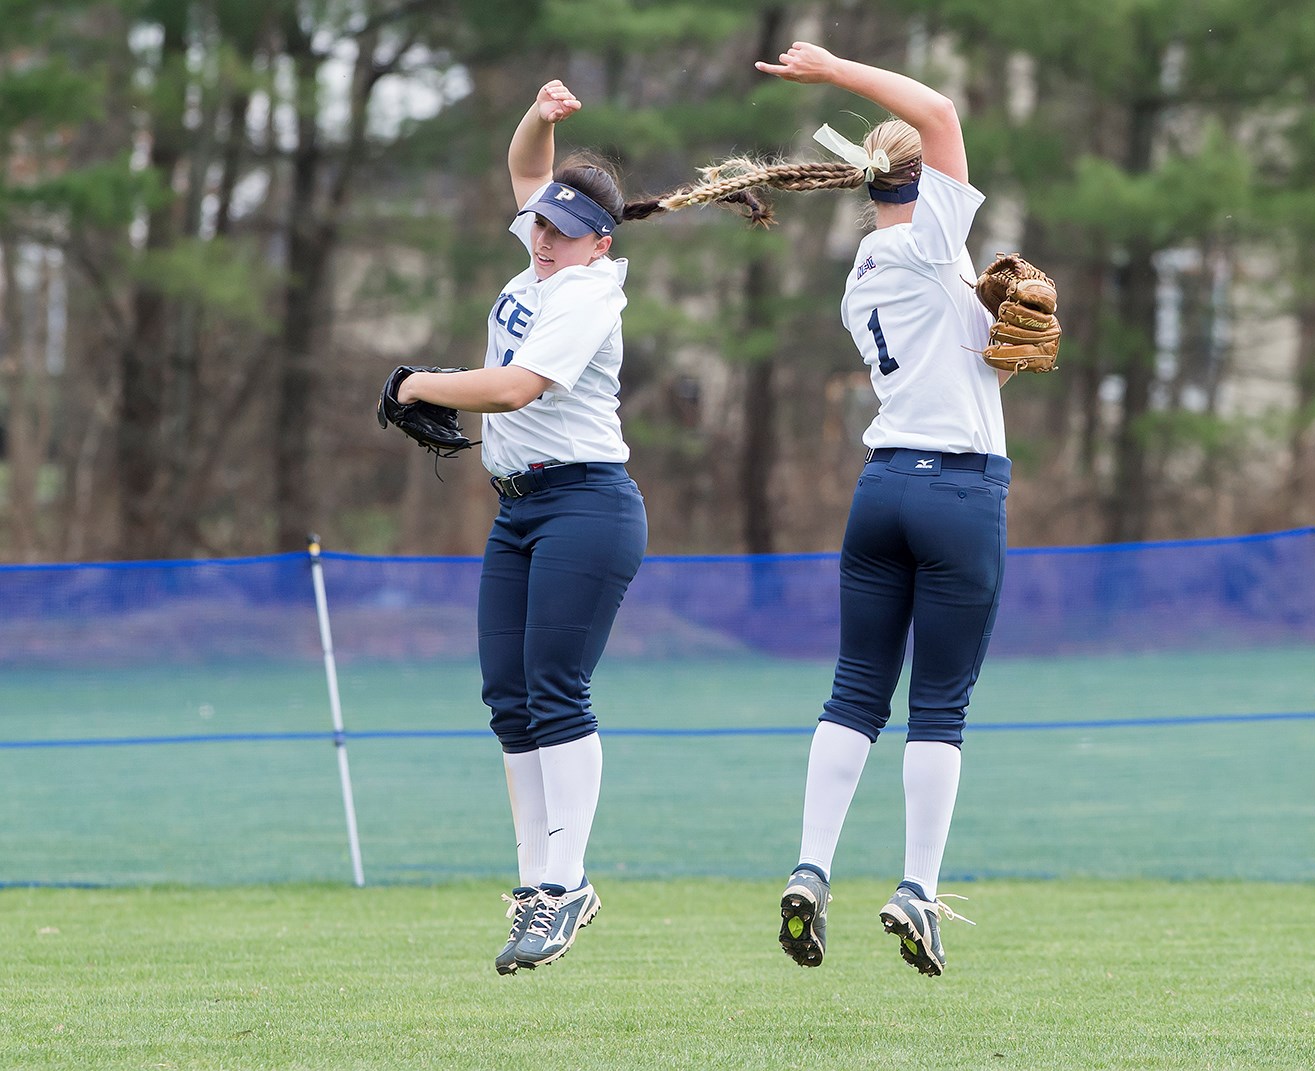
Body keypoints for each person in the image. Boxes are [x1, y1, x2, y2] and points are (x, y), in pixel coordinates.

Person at [393, 79, 762, 975]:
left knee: (556, 691)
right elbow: (527, 169)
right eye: (540, 224)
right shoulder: (544, 260)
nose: (542, 236)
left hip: (587, 505)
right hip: (520, 508)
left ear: (601, 240)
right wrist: (540, 116)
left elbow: (517, 387)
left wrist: (417, 383)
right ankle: (535, 885)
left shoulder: (589, 292)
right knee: (508, 699)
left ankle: (566, 884)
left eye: (560, 229)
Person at [743, 42, 1013, 976]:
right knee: (939, 704)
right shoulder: (933, 241)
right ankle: (916, 889)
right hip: (958, 491)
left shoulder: (863, 269)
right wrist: (834, 72)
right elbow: (940, 112)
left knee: (855, 689)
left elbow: (958, 351)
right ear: (923, 182)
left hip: (882, 488)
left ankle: (811, 866)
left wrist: (991, 333)